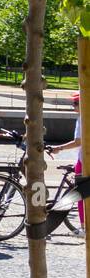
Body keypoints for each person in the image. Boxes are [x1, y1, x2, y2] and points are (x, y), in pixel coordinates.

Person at [48, 92, 83, 232]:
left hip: (84, 160)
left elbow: (78, 141)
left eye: (75, 103)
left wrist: (59, 148)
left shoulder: (82, 119)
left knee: (81, 194)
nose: (73, 106)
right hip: (83, 158)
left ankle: (84, 227)